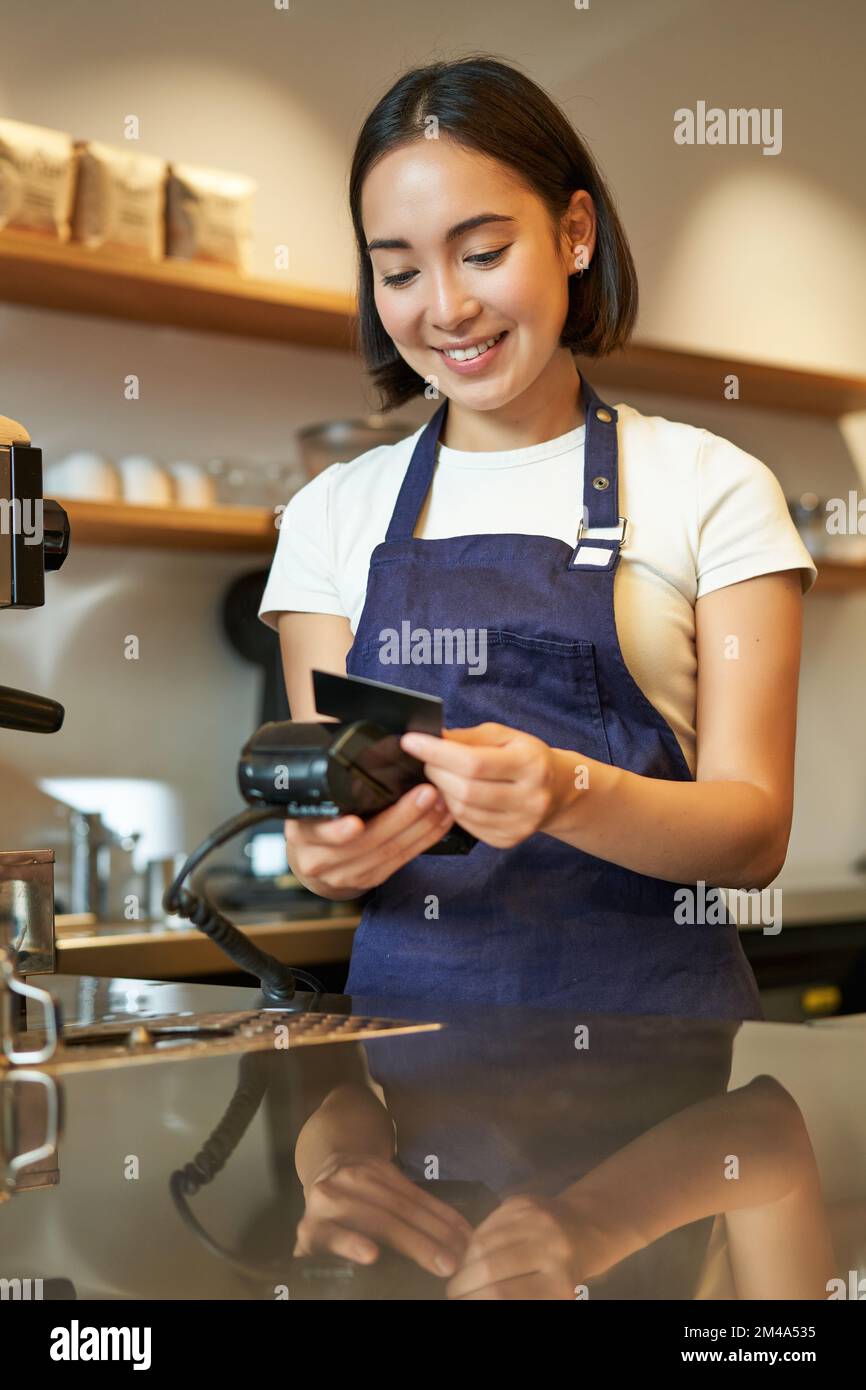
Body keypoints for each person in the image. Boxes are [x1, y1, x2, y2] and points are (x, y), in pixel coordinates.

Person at [258, 55, 817, 1018]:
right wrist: (323, 856)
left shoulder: (711, 486)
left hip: (659, 1097)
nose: (445, 307)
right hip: (404, 1082)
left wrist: (564, 790)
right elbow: (329, 814)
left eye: (480, 254)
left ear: (574, 233)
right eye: (398, 270)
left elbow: (756, 838)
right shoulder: (330, 513)